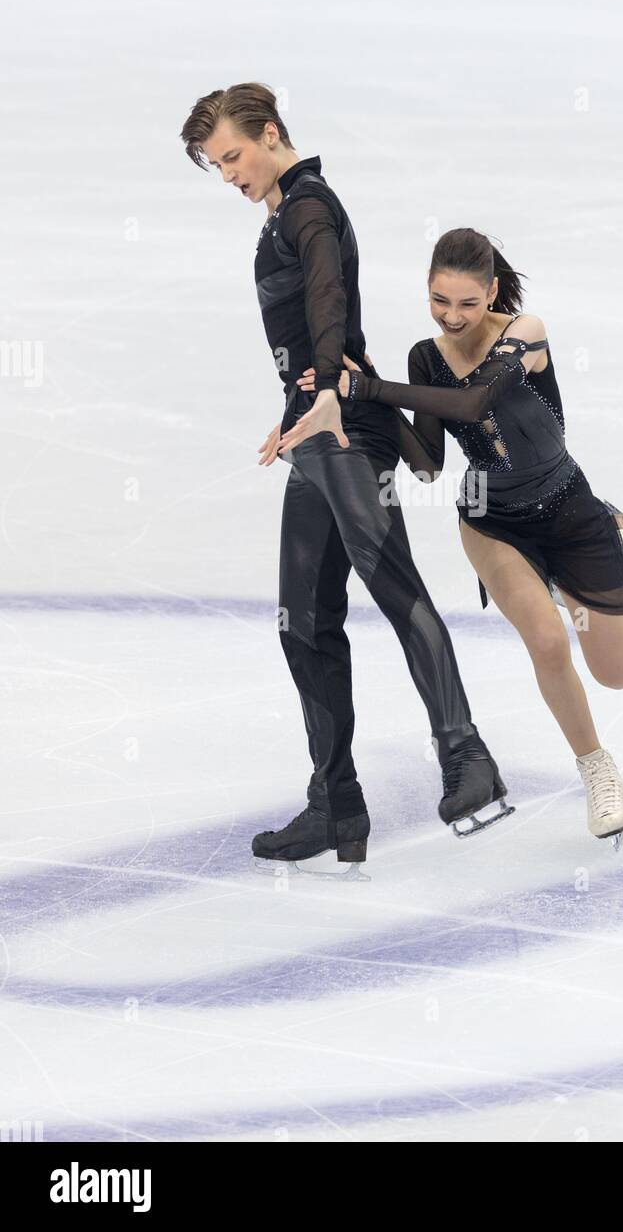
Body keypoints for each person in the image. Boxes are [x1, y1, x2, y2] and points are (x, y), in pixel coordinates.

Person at [179, 87, 514, 875]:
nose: (228, 174)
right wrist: (303, 400)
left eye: (233, 155)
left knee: (393, 586)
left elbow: (329, 296)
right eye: (216, 165)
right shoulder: (286, 209)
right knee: (305, 621)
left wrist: (327, 385)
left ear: (269, 134)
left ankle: (467, 759)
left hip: (344, 434)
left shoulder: (309, 209)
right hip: (314, 437)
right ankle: (337, 803)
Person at [286, 227, 623, 850]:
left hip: (569, 509)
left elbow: (474, 403)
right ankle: (596, 767)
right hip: (491, 514)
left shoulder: (527, 333)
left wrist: (367, 388)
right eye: (439, 300)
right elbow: (430, 463)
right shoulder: (425, 357)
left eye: (467, 302)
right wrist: (376, 404)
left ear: (492, 292)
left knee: (617, 673)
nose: (453, 316)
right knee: (548, 641)